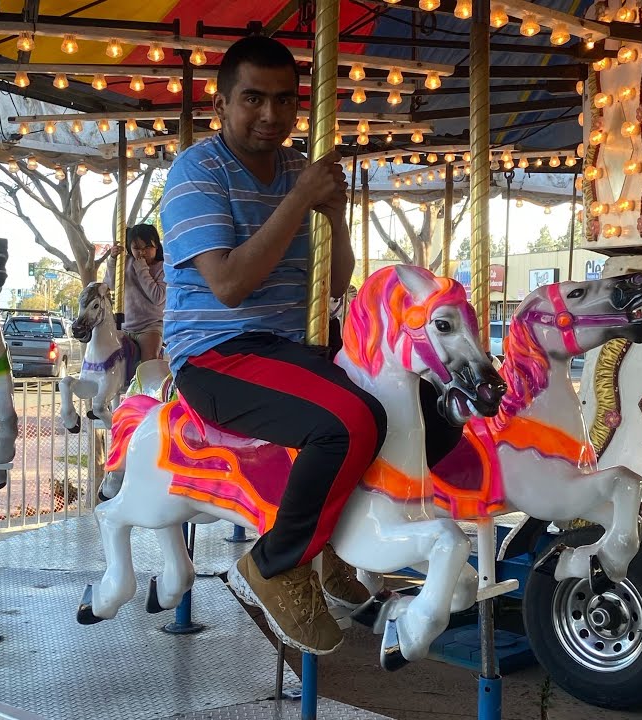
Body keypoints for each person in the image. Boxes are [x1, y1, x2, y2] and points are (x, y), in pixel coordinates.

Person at [159, 35, 382, 656]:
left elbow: (333, 282)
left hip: (291, 346)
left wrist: (334, 216)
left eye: (284, 100)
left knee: (412, 400)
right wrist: (301, 198)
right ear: (221, 104)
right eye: (253, 98)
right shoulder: (198, 172)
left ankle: (337, 544)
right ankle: (277, 563)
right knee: (349, 421)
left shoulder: (294, 169)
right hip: (217, 352)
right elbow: (229, 285)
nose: (270, 114)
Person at [104, 224, 166, 361]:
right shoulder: (125, 263)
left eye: (147, 247)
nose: (142, 252)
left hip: (150, 326)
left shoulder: (162, 267)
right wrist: (113, 260)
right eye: (137, 248)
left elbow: (157, 297)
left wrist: (142, 269)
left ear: (156, 246)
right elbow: (110, 285)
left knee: (149, 362)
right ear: (130, 248)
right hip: (125, 326)